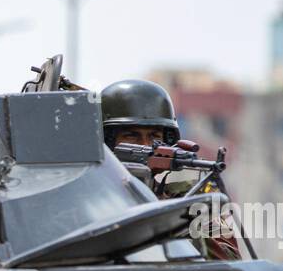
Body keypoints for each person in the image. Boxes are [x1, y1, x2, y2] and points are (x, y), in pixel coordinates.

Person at [101, 79, 240, 260]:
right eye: (131, 136)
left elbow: (228, 260)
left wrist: (177, 223)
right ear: (106, 142)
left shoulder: (188, 195)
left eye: (154, 137)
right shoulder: (87, 195)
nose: (146, 146)